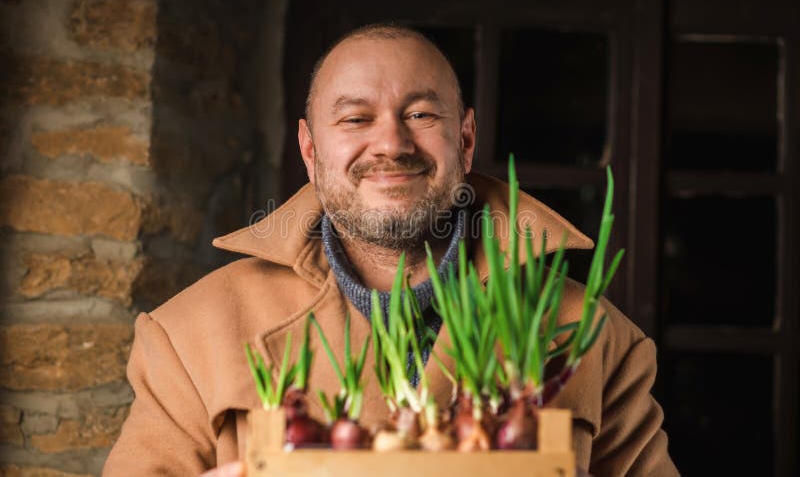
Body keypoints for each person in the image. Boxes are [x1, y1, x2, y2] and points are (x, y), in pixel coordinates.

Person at [104, 24, 678, 476]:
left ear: (467, 139)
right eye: (356, 118)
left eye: (421, 115)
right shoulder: (189, 336)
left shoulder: (599, 339)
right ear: (309, 148)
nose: (391, 144)